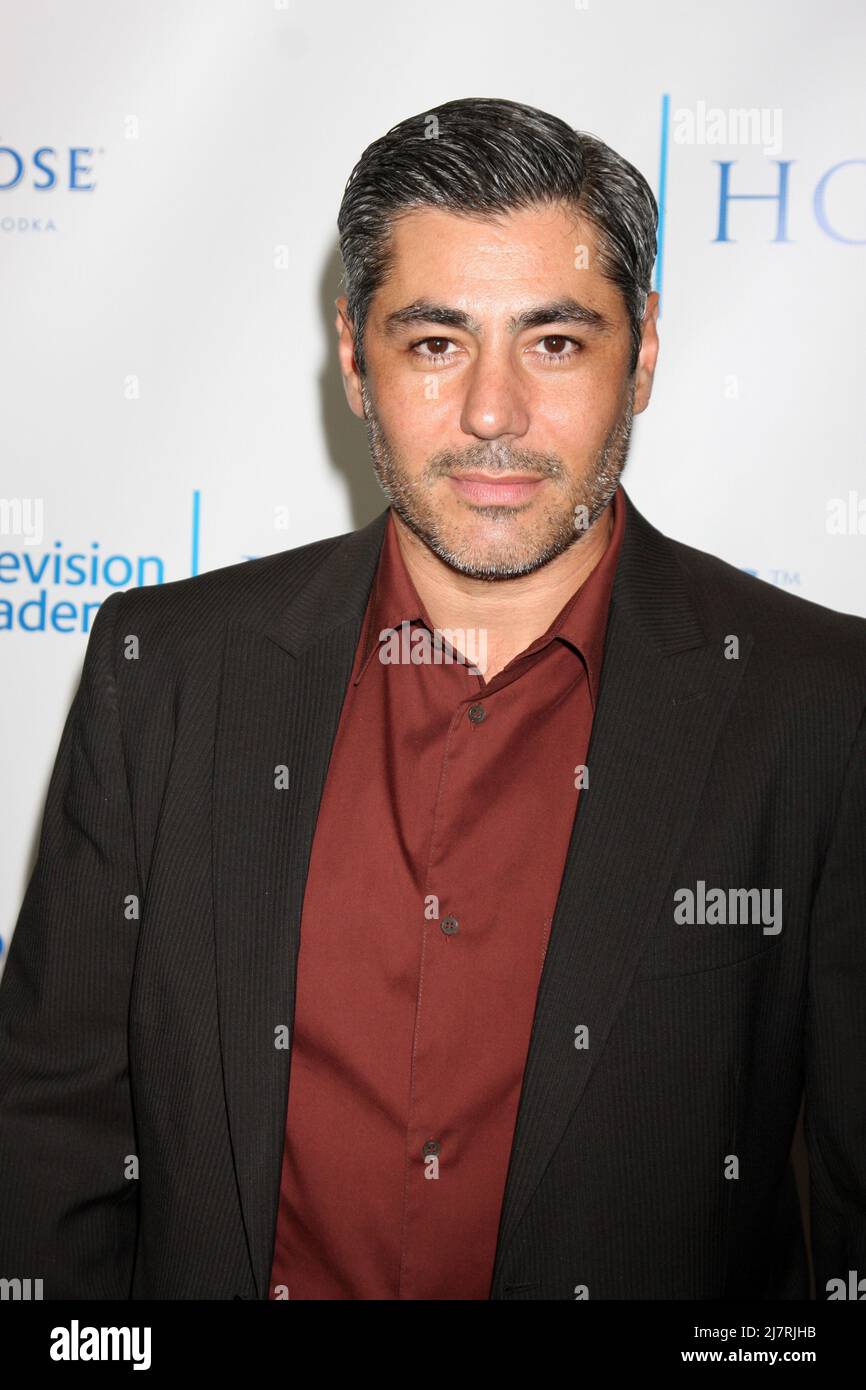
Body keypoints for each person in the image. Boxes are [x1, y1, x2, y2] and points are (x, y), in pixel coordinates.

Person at [1, 96, 864, 1301]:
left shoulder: (818, 707)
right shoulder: (165, 673)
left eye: (554, 343)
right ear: (354, 358)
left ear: (646, 354)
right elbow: (51, 1152)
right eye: (435, 343)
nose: (493, 416)